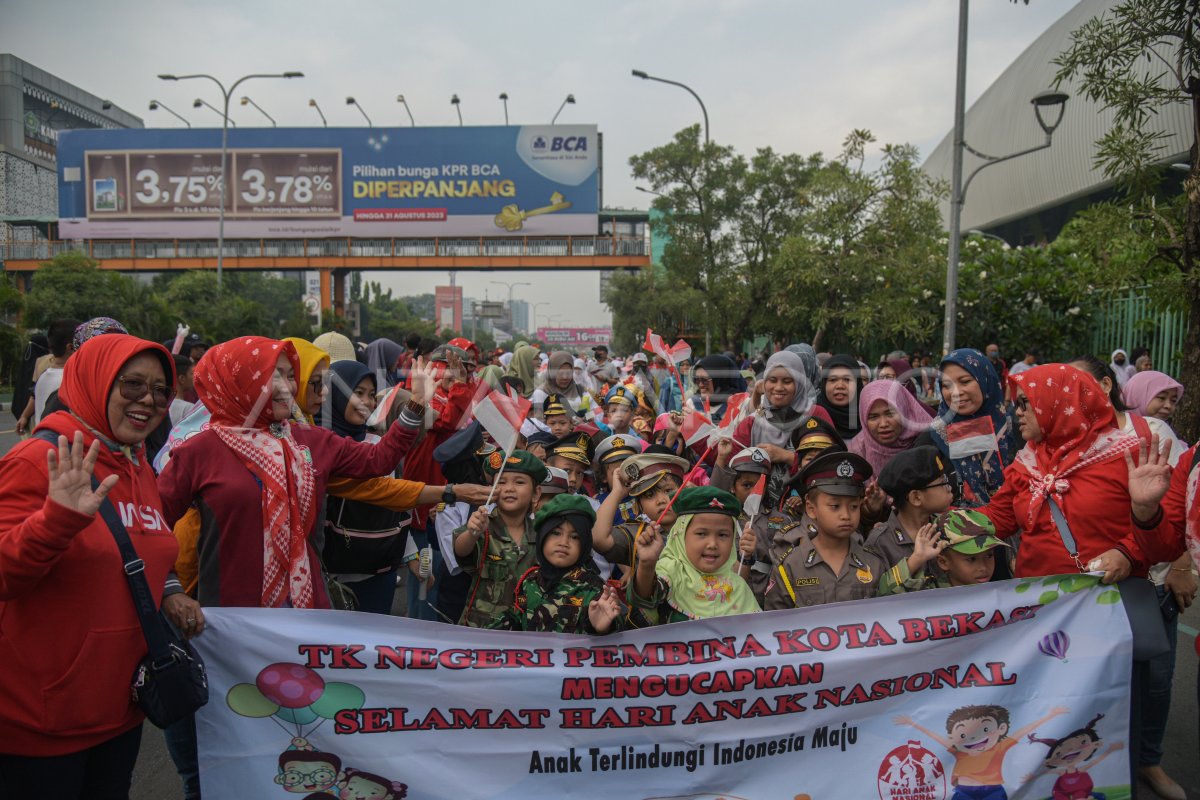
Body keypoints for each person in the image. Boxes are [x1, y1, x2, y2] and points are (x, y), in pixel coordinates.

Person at [0, 334, 193, 798]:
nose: (148, 400)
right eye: (132, 385)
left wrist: (170, 589)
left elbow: (145, 547)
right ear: (95, 381)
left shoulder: (136, 462)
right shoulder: (40, 459)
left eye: (161, 390)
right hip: (42, 725)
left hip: (118, 713)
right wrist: (56, 523)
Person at [156, 337, 428, 610]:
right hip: (231, 617)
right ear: (239, 381)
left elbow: (378, 460)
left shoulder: (308, 440)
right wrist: (170, 588)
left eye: (290, 376)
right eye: (274, 377)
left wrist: (415, 404)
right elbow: (153, 523)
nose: (288, 387)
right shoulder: (200, 451)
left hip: (305, 609)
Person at [763, 452, 906, 609]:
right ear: (811, 509)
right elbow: (775, 625)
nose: (845, 515)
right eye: (835, 506)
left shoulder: (873, 563)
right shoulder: (790, 566)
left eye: (853, 507)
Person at [489, 494, 622, 634]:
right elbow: (513, 621)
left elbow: (613, 627)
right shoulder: (529, 581)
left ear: (584, 545)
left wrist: (602, 628)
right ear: (542, 537)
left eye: (575, 537)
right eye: (556, 533)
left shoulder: (595, 589)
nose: (563, 543)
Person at [628, 486, 759, 623]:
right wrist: (647, 564)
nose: (712, 544)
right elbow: (644, 597)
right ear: (681, 535)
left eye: (722, 535)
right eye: (701, 534)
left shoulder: (738, 586)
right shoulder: (671, 571)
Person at [453, 450, 546, 627]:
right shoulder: (482, 524)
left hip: (528, 629)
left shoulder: (543, 533)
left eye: (519, 482)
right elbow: (461, 550)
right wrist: (472, 533)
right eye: (501, 482)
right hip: (482, 630)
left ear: (536, 493)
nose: (509, 488)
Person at [920, 348, 1017, 507]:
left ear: (985, 380)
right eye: (946, 385)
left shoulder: (1014, 430)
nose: (955, 393)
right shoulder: (932, 440)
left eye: (965, 381)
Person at [866, 445, 956, 577]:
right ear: (916, 498)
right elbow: (876, 593)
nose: (949, 487)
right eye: (942, 482)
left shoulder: (949, 525)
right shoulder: (881, 542)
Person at [888, 509, 1008, 591]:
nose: (983, 567)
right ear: (943, 562)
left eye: (989, 556)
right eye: (971, 559)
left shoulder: (1000, 595)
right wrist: (916, 559)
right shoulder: (930, 595)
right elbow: (883, 596)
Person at [848, 379, 932, 476]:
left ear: (904, 410)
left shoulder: (928, 441)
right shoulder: (857, 452)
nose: (883, 424)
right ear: (864, 420)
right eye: (873, 417)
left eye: (890, 414)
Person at [17, 317, 78, 435]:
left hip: (44, 442)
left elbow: (33, 397)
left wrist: (24, 416)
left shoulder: (44, 376)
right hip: (61, 447)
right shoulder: (70, 380)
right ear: (71, 348)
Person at [817, 355, 867, 442]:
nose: (840, 386)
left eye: (847, 380)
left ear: (858, 384)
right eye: (833, 380)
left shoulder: (870, 415)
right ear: (824, 384)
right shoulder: (812, 415)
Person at [690, 354, 747, 423]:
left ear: (720, 380)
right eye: (697, 379)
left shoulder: (740, 406)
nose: (700, 385)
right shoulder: (692, 404)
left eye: (704, 380)